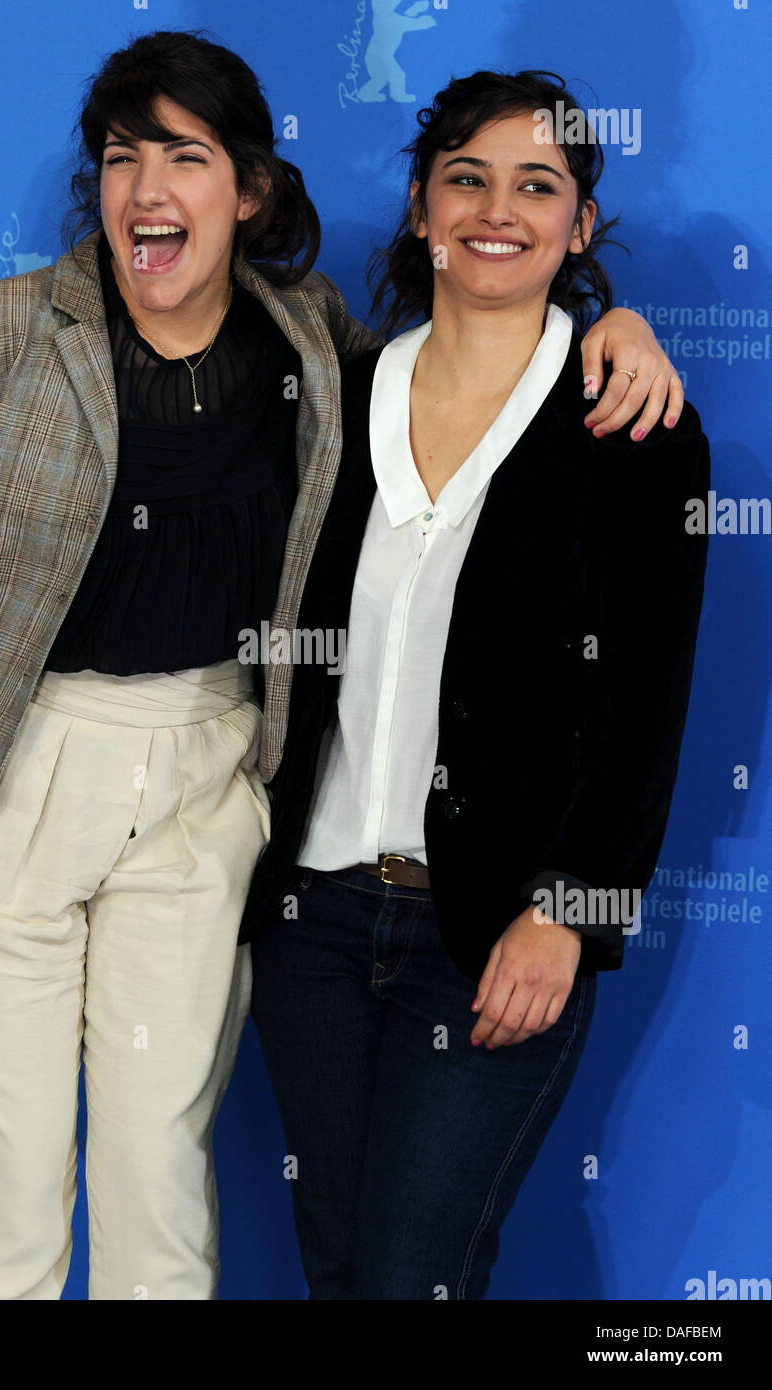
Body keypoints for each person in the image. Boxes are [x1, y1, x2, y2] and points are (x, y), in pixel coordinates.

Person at [0, 30, 686, 1302]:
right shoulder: (10, 339)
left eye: (188, 155)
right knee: (10, 1199)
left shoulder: (320, 349)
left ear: (250, 191)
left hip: (211, 791)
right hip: (24, 788)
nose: (149, 190)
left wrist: (621, 322)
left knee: (168, 1190)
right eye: (125, 158)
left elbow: (637, 703)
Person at [242, 69, 710, 1301]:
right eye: (468, 177)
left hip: (498, 931)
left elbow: (644, 707)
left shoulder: (629, 416)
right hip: (314, 928)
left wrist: (571, 910)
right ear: (418, 206)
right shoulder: (340, 393)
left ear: (580, 227)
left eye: (538, 185)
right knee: (339, 1269)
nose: (499, 209)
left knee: (413, 1278)